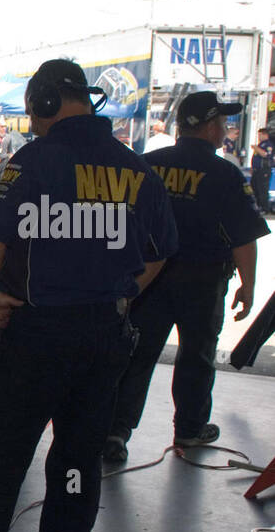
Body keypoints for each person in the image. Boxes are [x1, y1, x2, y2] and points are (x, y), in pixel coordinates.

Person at [0, 59, 177, 532]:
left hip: (40, 334)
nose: (31, 122)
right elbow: (159, 251)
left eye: (32, 111)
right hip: (105, 336)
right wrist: (122, 292)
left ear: (42, 102)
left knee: (2, 452)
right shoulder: (137, 170)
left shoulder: (35, 161)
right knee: (78, 457)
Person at [104, 91, 268, 459]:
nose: (224, 130)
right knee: (196, 356)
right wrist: (248, 285)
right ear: (210, 128)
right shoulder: (224, 173)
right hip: (202, 281)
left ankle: (115, 432)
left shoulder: (144, 165)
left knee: (137, 355)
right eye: (222, 124)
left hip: (147, 279)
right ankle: (190, 429)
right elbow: (243, 236)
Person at [250, 125, 272, 214]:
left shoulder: (268, 144)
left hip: (264, 170)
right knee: (254, 189)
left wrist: (256, 148)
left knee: (262, 189)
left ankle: (264, 208)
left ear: (265, 134)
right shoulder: (260, 144)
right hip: (256, 170)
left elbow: (265, 155)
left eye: (260, 135)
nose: (258, 137)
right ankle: (257, 206)